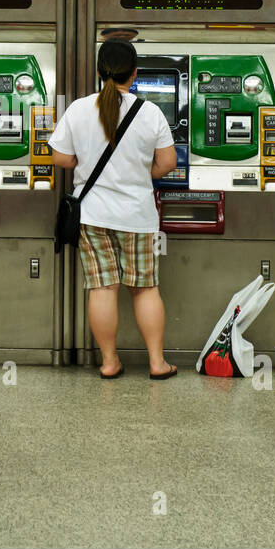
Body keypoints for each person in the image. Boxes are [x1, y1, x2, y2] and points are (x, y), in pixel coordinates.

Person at [48, 39, 179, 380]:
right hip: (137, 215)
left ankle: (109, 362)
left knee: (103, 287)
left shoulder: (78, 109)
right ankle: (156, 363)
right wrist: (139, 174)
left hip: (92, 215)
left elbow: (59, 157)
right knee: (145, 288)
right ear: (134, 74)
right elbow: (167, 162)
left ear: (99, 71)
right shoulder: (150, 112)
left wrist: (86, 165)